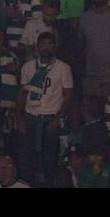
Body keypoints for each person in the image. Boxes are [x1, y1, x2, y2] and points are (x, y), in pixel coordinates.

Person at [17, 32, 74, 185]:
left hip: (50, 119)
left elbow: (68, 96)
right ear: (37, 46)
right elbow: (22, 95)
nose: (46, 47)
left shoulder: (63, 68)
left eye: (49, 43)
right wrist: (20, 118)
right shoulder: (28, 67)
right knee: (27, 161)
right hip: (31, 118)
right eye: (43, 43)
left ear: (54, 47)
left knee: (50, 162)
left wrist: (58, 118)